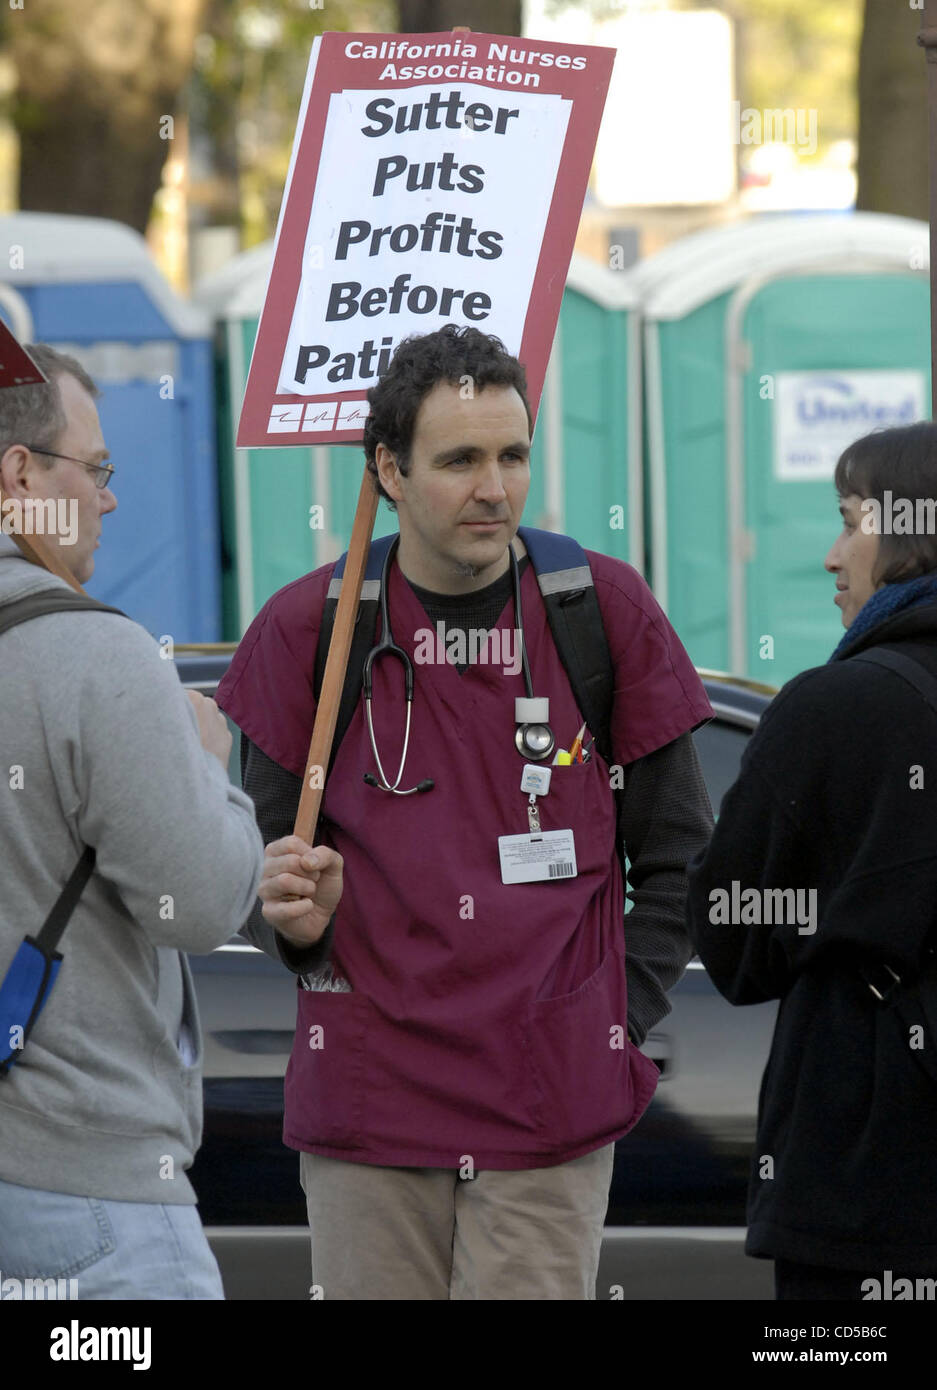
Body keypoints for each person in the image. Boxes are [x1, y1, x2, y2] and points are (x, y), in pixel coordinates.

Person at [217, 324, 714, 1300]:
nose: (495, 487)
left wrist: (611, 1017)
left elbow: (680, 859)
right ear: (389, 471)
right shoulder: (304, 632)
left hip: (547, 1110)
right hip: (371, 1114)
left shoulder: (600, 610)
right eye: (460, 460)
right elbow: (255, 874)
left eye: (512, 455)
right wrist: (295, 929)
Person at [0, 344, 265, 1299]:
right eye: (96, 469)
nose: (108, 500)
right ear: (20, 475)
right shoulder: (99, 657)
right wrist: (210, 768)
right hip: (91, 1194)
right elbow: (195, 903)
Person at [687, 420, 937, 1300]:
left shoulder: (834, 707)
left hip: (862, 1178)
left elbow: (734, 947)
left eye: (850, 520)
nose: (833, 557)